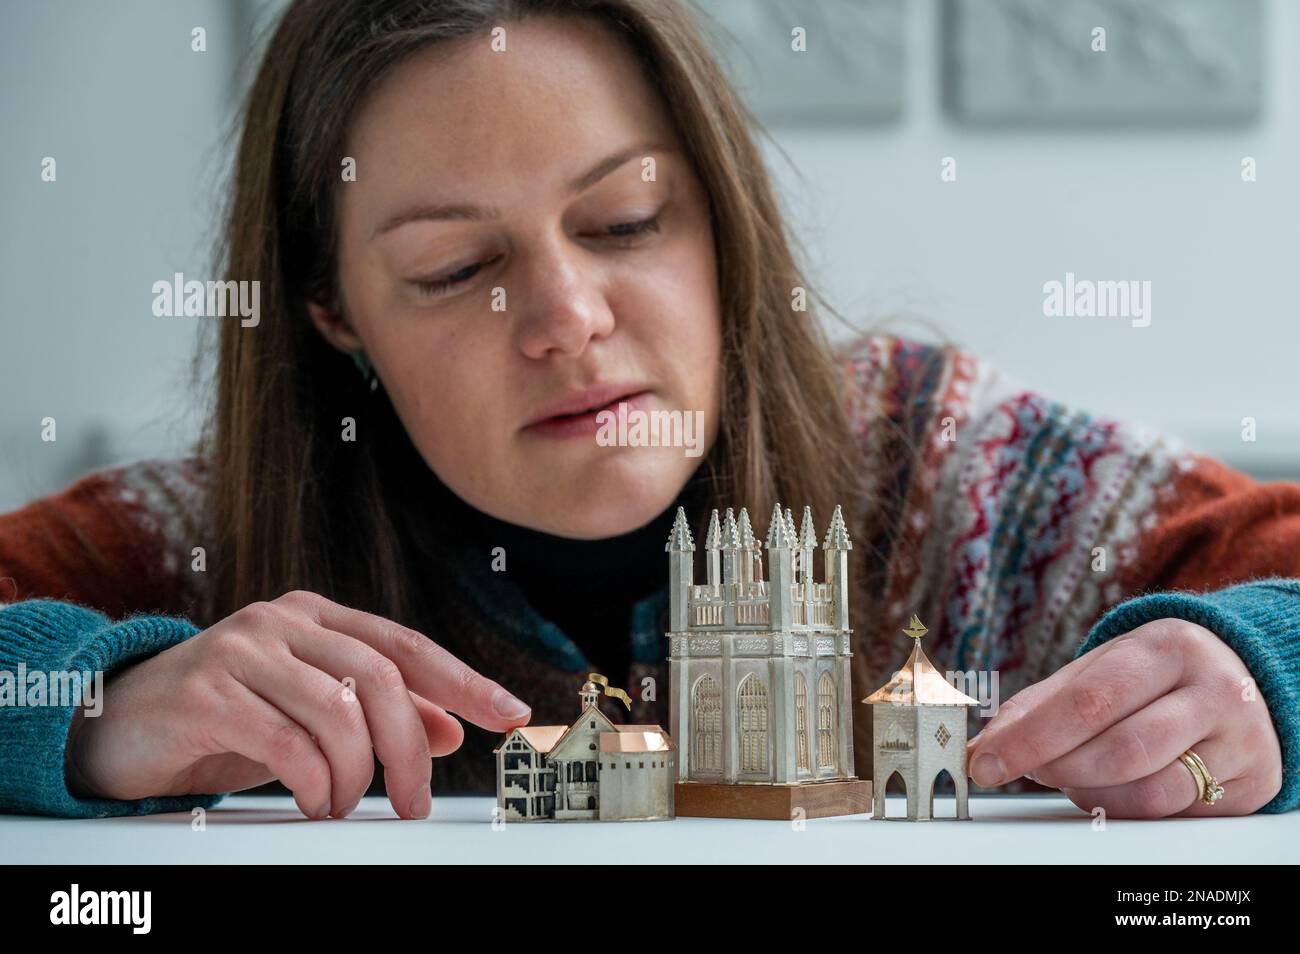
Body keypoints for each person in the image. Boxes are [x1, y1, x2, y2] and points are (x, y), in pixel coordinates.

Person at [1, 0, 1296, 823]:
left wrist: (1259, 671)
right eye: (456, 268)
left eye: (627, 220)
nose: (567, 314)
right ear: (332, 312)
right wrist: (91, 704)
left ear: (725, 225)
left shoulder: (955, 470)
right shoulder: (206, 541)